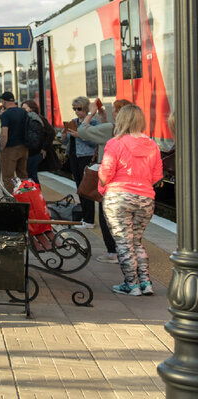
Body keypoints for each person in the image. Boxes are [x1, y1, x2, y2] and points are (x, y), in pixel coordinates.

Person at [98, 103, 163, 296]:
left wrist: (102, 182)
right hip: (145, 199)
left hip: (118, 198)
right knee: (136, 241)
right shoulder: (152, 145)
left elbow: (105, 172)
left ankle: (131, 284)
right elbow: (157, 176)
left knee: (124, 242)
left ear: (121, 121)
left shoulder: (115, 143)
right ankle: (146, 283)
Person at [76, 98, 132, 264]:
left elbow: (83, 131)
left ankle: (113, 253)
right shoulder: (131, 131)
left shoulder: (110, 130)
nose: (113, 111)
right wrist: (104, 119)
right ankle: (125, 250)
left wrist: (91, 113)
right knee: (124, 218)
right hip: (127, 180)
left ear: (119, 113)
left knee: (106, 215)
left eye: (115, 109)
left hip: (109, 180)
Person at [65, 96, 104, 228]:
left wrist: (80, 135)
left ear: (86, 109)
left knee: (87, 188)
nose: (76, 111)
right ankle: (85, 217)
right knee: (80, 188)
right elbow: (68, 142)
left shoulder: (93, 123)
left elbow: (96, 142)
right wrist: (64, 136)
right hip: (74, 157)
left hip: (86, 157)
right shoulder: (74, 122)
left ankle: (89, 220)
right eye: (74, 109)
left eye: (79, 109)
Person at [0, 91, 29, 194]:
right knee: (23, 175)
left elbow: (4, 134)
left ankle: (12, 201)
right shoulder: (23, 112)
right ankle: (26, 198)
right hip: (23, 148)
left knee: (8, 177)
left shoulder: (6, 114)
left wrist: (1, 148)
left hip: (10, 149)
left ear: (3, 101)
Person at [21, 99, 46, 183]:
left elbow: (34, 138)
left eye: (25, 108)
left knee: (31, 175)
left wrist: (44, 148)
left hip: (32, 153)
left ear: (31, 109)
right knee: (31, 175)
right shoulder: (33, 118)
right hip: (33, 152)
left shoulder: (33, 119)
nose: (23, 110)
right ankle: (35, 195)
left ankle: (36, 195)